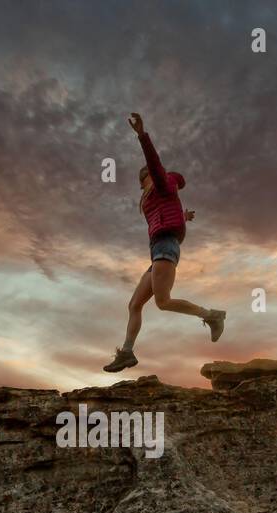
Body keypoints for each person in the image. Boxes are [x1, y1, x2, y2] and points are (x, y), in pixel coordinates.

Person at [103, 113, 225, 373]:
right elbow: (167, 215)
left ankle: (212, 315)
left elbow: (155, 165)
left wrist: (142, 135)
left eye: (142, 178)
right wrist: (183, 217)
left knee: (163, 301)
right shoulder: (156, 195)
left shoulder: (162, 183)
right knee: (135, 304)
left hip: (165, 247)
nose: (140, 184)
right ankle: (126, 353)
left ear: (149, 176)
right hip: (158, 249)